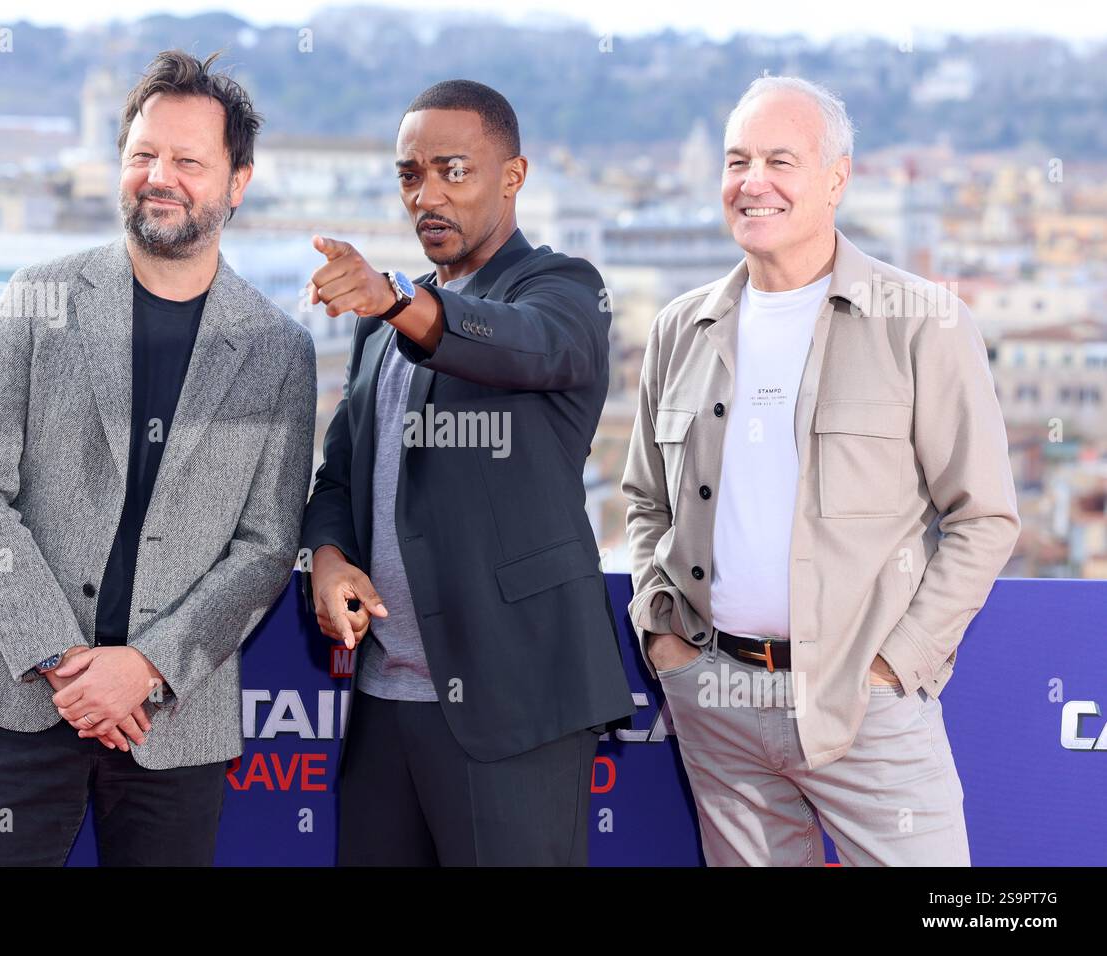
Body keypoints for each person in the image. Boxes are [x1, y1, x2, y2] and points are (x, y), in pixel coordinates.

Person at [0, 49, 316, 866]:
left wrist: (147, 668)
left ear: (237, 181)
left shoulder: (279, 350)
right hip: (19, 695)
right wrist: (66, 663)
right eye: (142, 154)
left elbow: (267, 546)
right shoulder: (38, 298)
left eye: (188, 161)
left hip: (174, 718)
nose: (159, 176)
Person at [622, 75, 1020, 866]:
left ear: (837, 179)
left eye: (781, 160)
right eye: (737, 160)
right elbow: (644, 499)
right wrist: (666, 635)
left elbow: (985, 519)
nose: (753, 182)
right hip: (717, 698)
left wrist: (892, 666)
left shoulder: (923, 324)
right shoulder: (680, 327)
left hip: (865, 707)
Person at [300, 79, 635, 866]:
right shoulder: (382, 331)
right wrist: (327, 557)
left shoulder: (566, 289)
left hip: (510, 705)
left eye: (455, 170)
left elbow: (516, 344)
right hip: (384, 705)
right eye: (411, 175)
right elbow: (341, 477)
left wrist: (393, 299)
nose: (429, 194)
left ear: (513, 176)